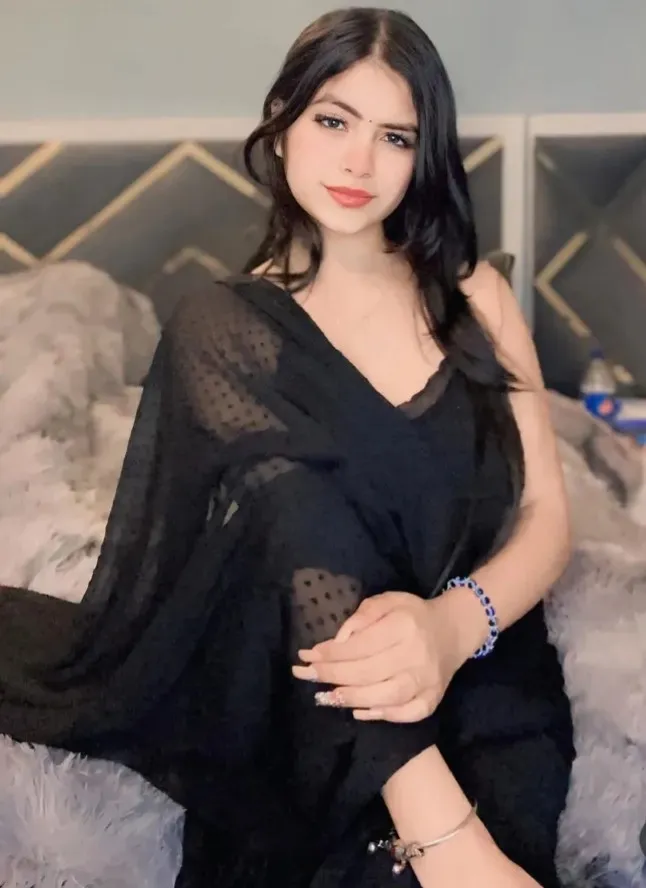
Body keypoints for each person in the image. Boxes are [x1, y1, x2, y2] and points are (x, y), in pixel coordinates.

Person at [0, 8, 574, 888]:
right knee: (289, 502)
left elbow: (545, 512)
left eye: (394, 137)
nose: (358, 163)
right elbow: (280, 545)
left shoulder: (474, 297)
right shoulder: (225, 326)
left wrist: (455, 626)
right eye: (333, 121)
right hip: (311, 692)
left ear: (423, 155)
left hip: (480, 670)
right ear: (283, 122)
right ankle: (448, 844)